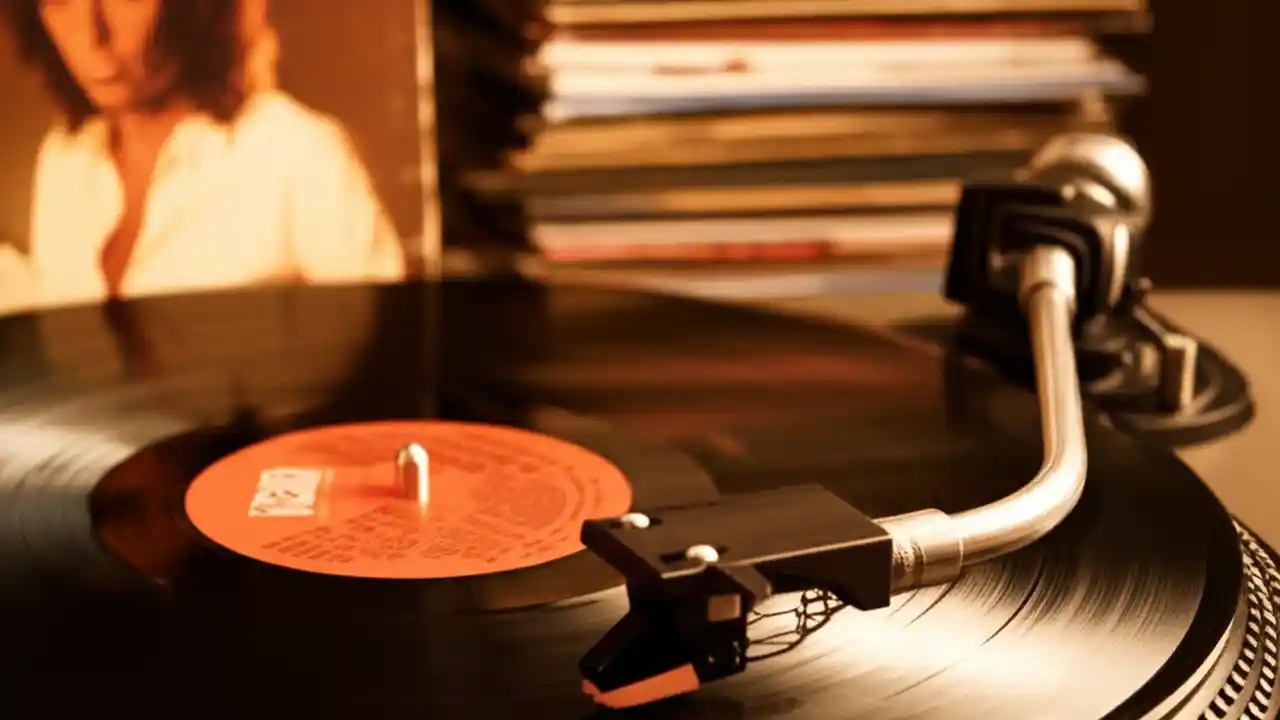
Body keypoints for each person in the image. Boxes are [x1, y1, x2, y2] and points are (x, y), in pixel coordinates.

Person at [3, 0, 406, 311]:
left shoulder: (298, 154)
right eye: (60, 0)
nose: (92, 36)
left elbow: (387, 367)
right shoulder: (65, 160)